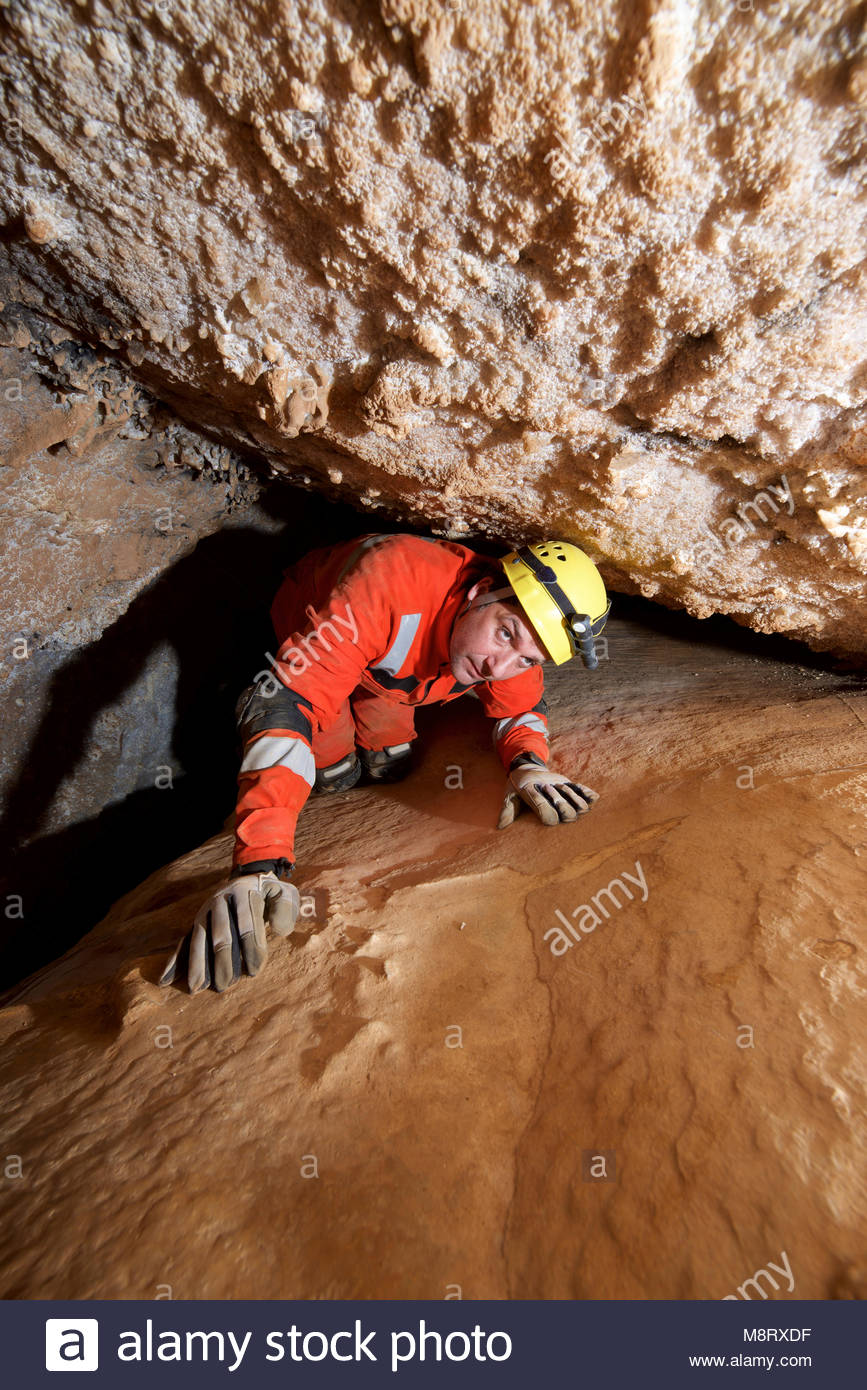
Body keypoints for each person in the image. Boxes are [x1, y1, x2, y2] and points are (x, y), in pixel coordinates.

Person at [160, 532, 610, 993]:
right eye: (505, 632)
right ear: (480, 592)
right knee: (330, 764)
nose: (498, 667)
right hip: (333, 631)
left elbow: (519, 708)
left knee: (390, 753)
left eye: (525, 658)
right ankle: (334, 777)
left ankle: (370, 758)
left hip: (402, 669)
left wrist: (528, 763)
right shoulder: (389, 580)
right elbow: (286, 706)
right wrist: (258, 862)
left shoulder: (504, 645)